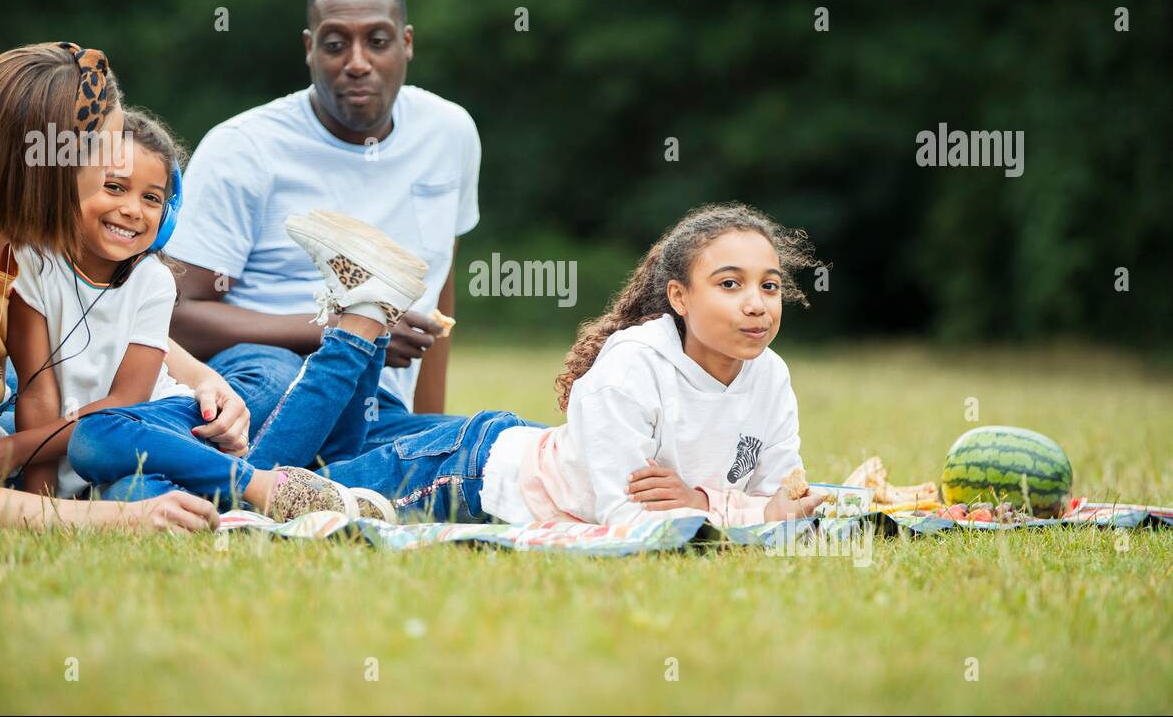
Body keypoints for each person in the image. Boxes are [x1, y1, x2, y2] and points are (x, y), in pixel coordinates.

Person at [0, 43, 247, 533]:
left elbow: (97, 313)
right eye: (106, 163)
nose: (117, 170)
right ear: (49, 172)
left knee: (138, 419)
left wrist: (202, 377)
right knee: (116, 445)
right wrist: (128, 519)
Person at [303, 204, 830, 528]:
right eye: (730, 284)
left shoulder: (771, 375)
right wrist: (732, 508)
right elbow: (625, 516)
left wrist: (702, 502)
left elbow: (783, 498)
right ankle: (366, 315)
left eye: (770, 285)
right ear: (680, 298)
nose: (757, 304)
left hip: (529, 449)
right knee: (271, 492)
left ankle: (366, 309)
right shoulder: (634, 366)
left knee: (332, 459)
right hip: (467, 472)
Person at [9, 109, 421, 522]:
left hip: (159, 424)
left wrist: (13, 448)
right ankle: (279, 495)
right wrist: (44, 507)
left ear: (168, 215)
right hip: (104, 469)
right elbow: (38, 394)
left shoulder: (152, 280)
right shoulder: (32, 266)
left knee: (94, 436)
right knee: (137, 494)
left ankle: (359, 325)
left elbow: (125, 405)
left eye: (151, 198)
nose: (133, 209)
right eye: (114, 187)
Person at [165, 0, 479, 449]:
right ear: (310, 49)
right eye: (335, 44)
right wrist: (347, 332)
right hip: (264, 384)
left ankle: (315, 477)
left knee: (496, 439)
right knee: (273, 382)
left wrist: (432, 431)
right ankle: (248, 480)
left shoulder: (449, 132)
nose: (357, 61)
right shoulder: (243, 147)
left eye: (378, 40)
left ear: (407, 44)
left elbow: (439, 292)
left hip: (379, 406)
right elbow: (177, 313)